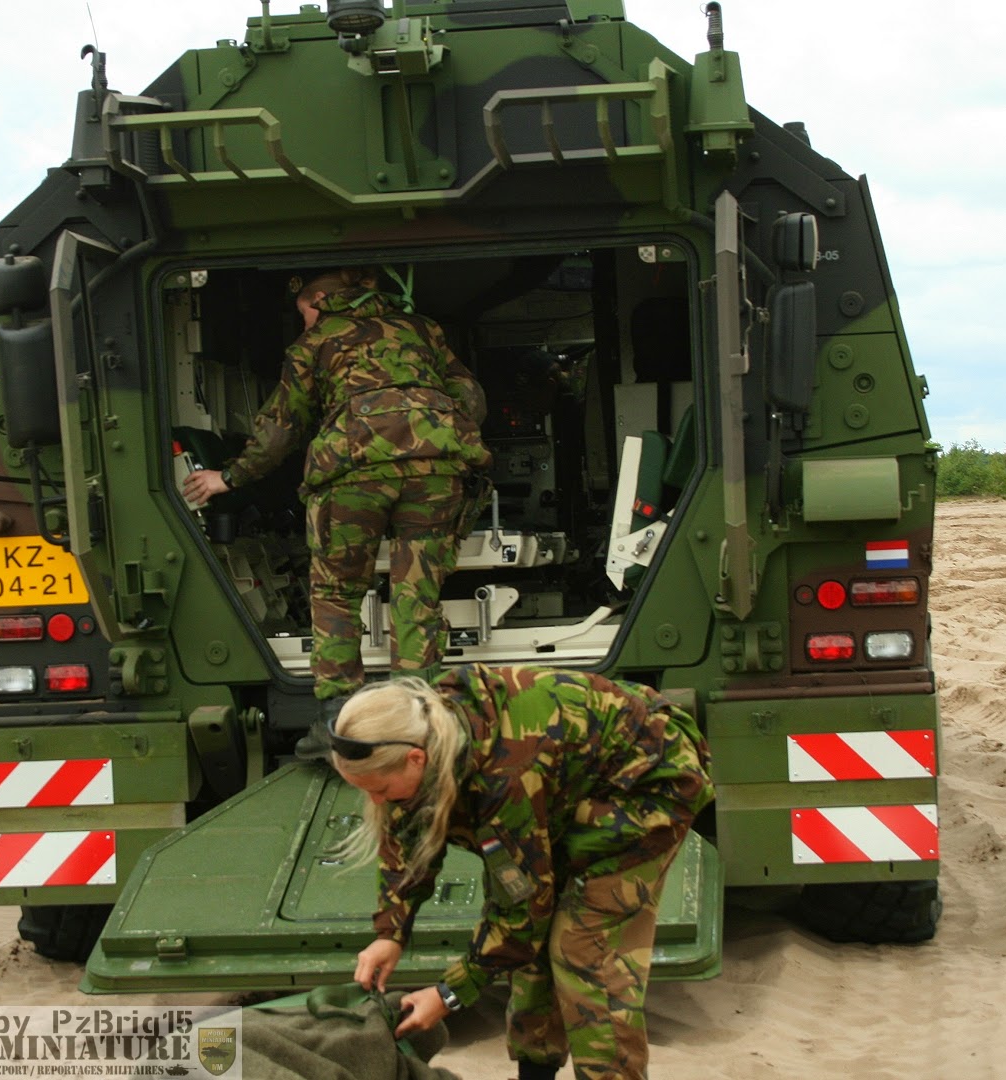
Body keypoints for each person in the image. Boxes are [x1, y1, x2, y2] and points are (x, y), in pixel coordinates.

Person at [328, 664, 715, 1080]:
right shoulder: (428, 730)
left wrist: (448, 995)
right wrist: (391, 933)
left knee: (583, 950)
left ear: (416, 759)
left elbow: (521, 914)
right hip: (576, 783)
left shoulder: (504, 779)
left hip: (651, 785)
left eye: (380, 790)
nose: (376, 801)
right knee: (533, 948)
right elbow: (406, 840)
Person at [183, 268, 492, 732]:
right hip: (435, 469)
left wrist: (228, 477)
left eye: (304, 313)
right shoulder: (421, 329)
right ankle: (417, 717)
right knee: (417, 593)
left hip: (352, 475)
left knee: (336, 592)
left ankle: (337, 717)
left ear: (322, 299)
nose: (304, 323)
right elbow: (469, 395)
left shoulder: (312, 345)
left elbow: (281, 428)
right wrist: (435, 431)